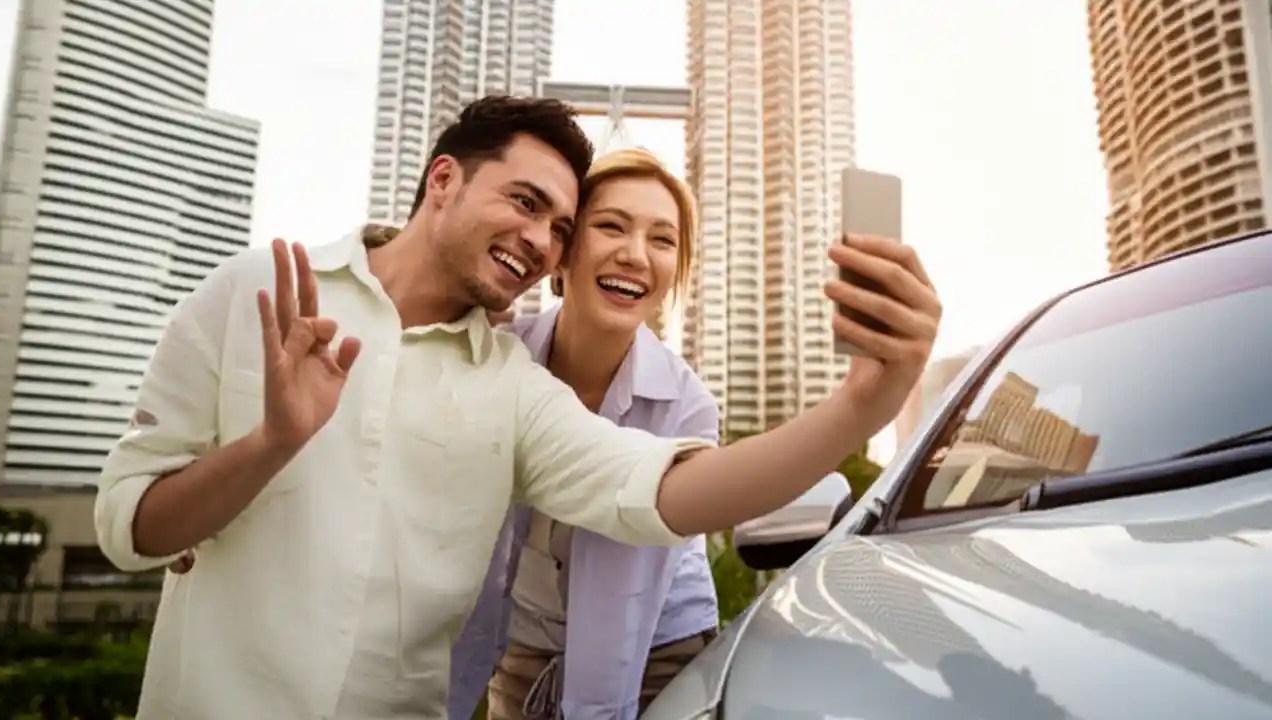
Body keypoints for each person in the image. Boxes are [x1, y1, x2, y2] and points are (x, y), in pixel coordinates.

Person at [94, 95, 941, 720]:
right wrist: (271, 444)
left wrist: (865, 402)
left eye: (557, 225)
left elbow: (664, 494)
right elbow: (129, 528)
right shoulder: (259, 293)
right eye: (529, 205)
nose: (540, 241)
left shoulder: (510, 384)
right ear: (443, 180)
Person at [439, 147, 719, 720]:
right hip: (525, 641)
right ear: (561, 251)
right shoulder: (495, 357)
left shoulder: (687, 406)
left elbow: (620, 608)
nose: (635, 254)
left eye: (663, 240)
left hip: (661, 645)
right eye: (611, 226)